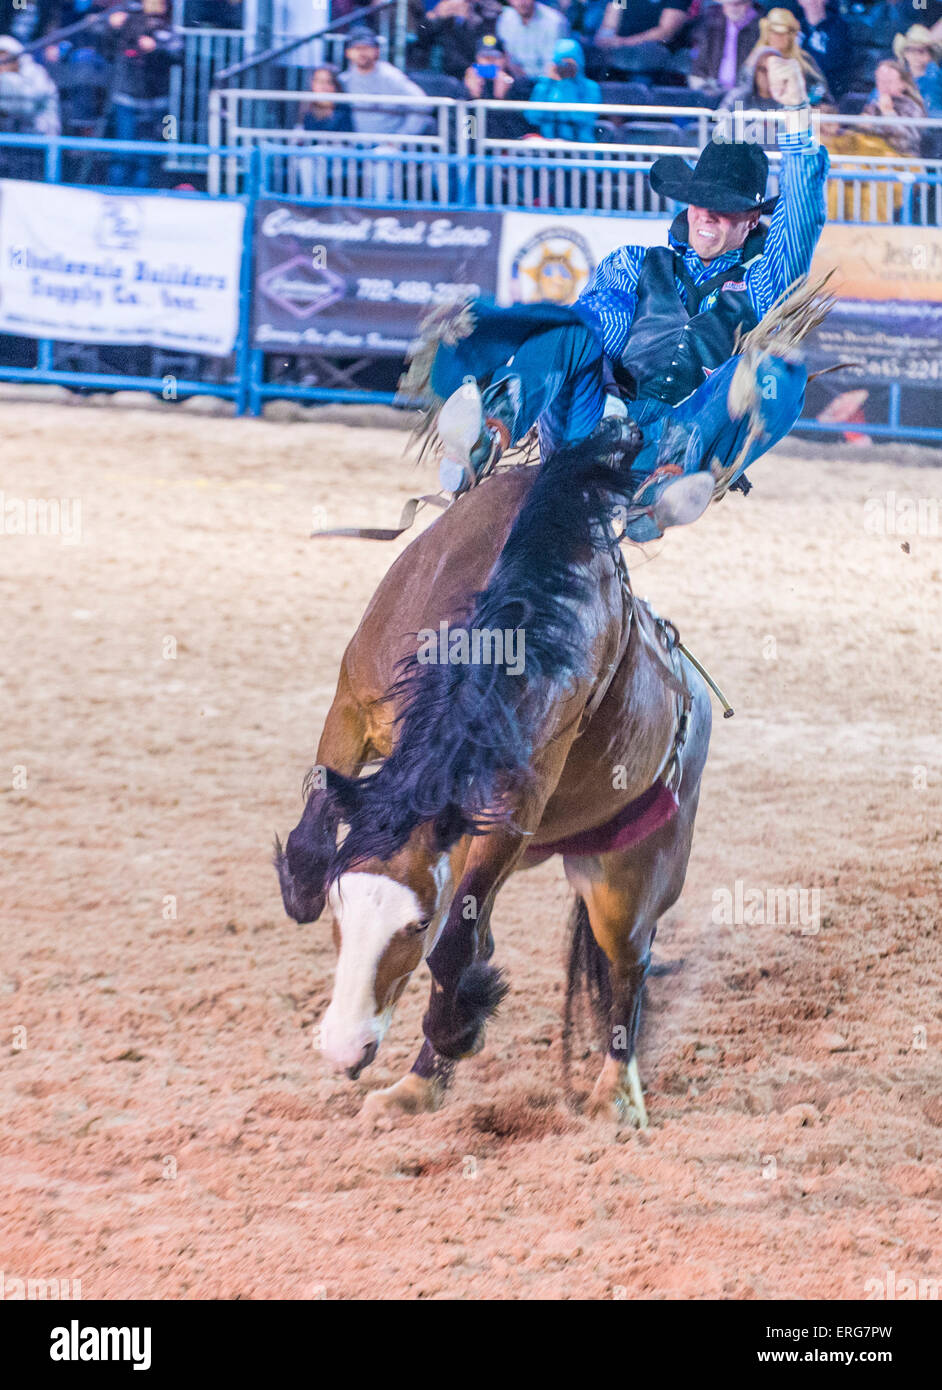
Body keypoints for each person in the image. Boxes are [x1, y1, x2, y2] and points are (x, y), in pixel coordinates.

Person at [427, 56, 829, 541]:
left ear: (750, 221)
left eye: (726, 211)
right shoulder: (634, 260)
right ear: (688, 203)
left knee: (759, 368)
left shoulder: (765, 279)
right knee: (571, 331)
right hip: (592, 421)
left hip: (671, 441)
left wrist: (798, 116)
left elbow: (802, 219)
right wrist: (610, 391)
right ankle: (491, 432)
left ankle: (662, 491)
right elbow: (603, 317)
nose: (709, 218)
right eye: (703, 204)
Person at [105, 0, 183, 188]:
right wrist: (111, 27)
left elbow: (178, 55)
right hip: (126, 99)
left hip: (156, 103)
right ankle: (115, 197)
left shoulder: (168, 29)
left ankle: (144, 196)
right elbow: (104, 46)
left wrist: (156, 48)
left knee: (148, 157)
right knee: (122, 153)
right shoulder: (128, 21)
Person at [340, 26, 431, 136]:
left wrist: (400, 139)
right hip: (358, 146)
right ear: (347, 52)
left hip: (389, 148)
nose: (362, 52)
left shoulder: (391, 76)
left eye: (367, 47)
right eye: (357, 48)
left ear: (377, 51)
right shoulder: (344, 80)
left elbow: (423, 104)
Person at [0, 32, 59, 175]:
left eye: (5, 56)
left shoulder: (34, 73)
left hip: (37, 137)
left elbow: (26, 107)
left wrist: (6, 78)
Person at [593, 0, 692, 81]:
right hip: (620, 50)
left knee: (642, 56)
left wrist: (623, 42)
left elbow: (665, 32)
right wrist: (606, 37)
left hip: (655, 51)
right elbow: (610, 23)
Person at [529, 36, 601, 140]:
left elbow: (582, 118)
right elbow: (533, 117)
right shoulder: (545, 86)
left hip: (580, 146)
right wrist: (546, 83)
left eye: (569, 63)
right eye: (561, 62)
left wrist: (566, 85)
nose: (565, 67)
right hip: (549, 145)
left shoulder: (591, 87)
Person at [688, 0, 761, 98]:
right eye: (729, 3)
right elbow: (699, 65)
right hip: (711, 92)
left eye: (739, 3)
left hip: (747, 96)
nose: (733, 7)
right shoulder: (709, 19)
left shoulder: (762, 24)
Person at [863, 58, 926, 157]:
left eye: (889, 81)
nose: (884, 86)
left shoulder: (912, 107)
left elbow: (907, 142)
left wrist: (888, 113)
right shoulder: (873, 105)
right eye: (880, 81)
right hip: (874, 156)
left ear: (903, 84)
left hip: (903, 160)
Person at [495, 0, 567, 81]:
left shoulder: (555, 22)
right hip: (516, 80)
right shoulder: (505, 19)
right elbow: (506, 56)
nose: (522, 2)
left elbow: (554, 66)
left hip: (545, 82)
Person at [795, 0, 851, 100]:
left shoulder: (838, 28)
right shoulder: (795, 28)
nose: (812, 1)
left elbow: (835, 64)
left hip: (827, 95)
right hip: (797, 92)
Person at [893, 24, 942, 116]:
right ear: (904, 53)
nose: (916, 56)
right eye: (910, 50)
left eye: (921, 51)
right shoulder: (894, 79)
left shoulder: (938, 79)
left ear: (930, 55)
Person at [297, 63, 353, 132]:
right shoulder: (305, 107)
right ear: (312, 84)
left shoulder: (343, 110)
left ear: (335, 86)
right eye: (319, 81)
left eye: (328, 82)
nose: (323, 87)